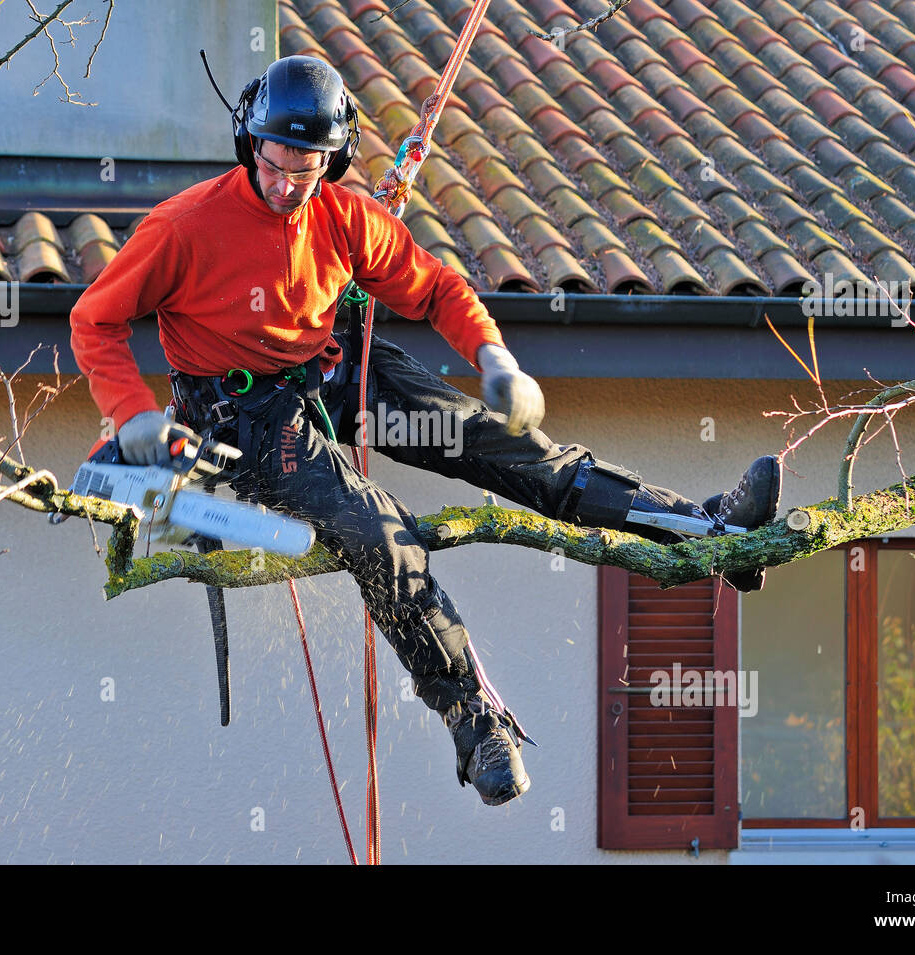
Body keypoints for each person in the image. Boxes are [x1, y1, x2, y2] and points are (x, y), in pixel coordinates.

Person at [69, 55, 781, 807]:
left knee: (495, 443)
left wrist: (493, 356)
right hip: (247, 416)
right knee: (375, 528)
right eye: (274, 165)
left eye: (305, 171)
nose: (284, 187)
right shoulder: (184, 227)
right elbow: (95, 319)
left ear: (332, 162)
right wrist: (133, 414)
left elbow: (436, 286)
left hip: (335, 368)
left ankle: (705, 531)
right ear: (251, 144)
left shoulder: (344, 219)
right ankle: (474, 719)